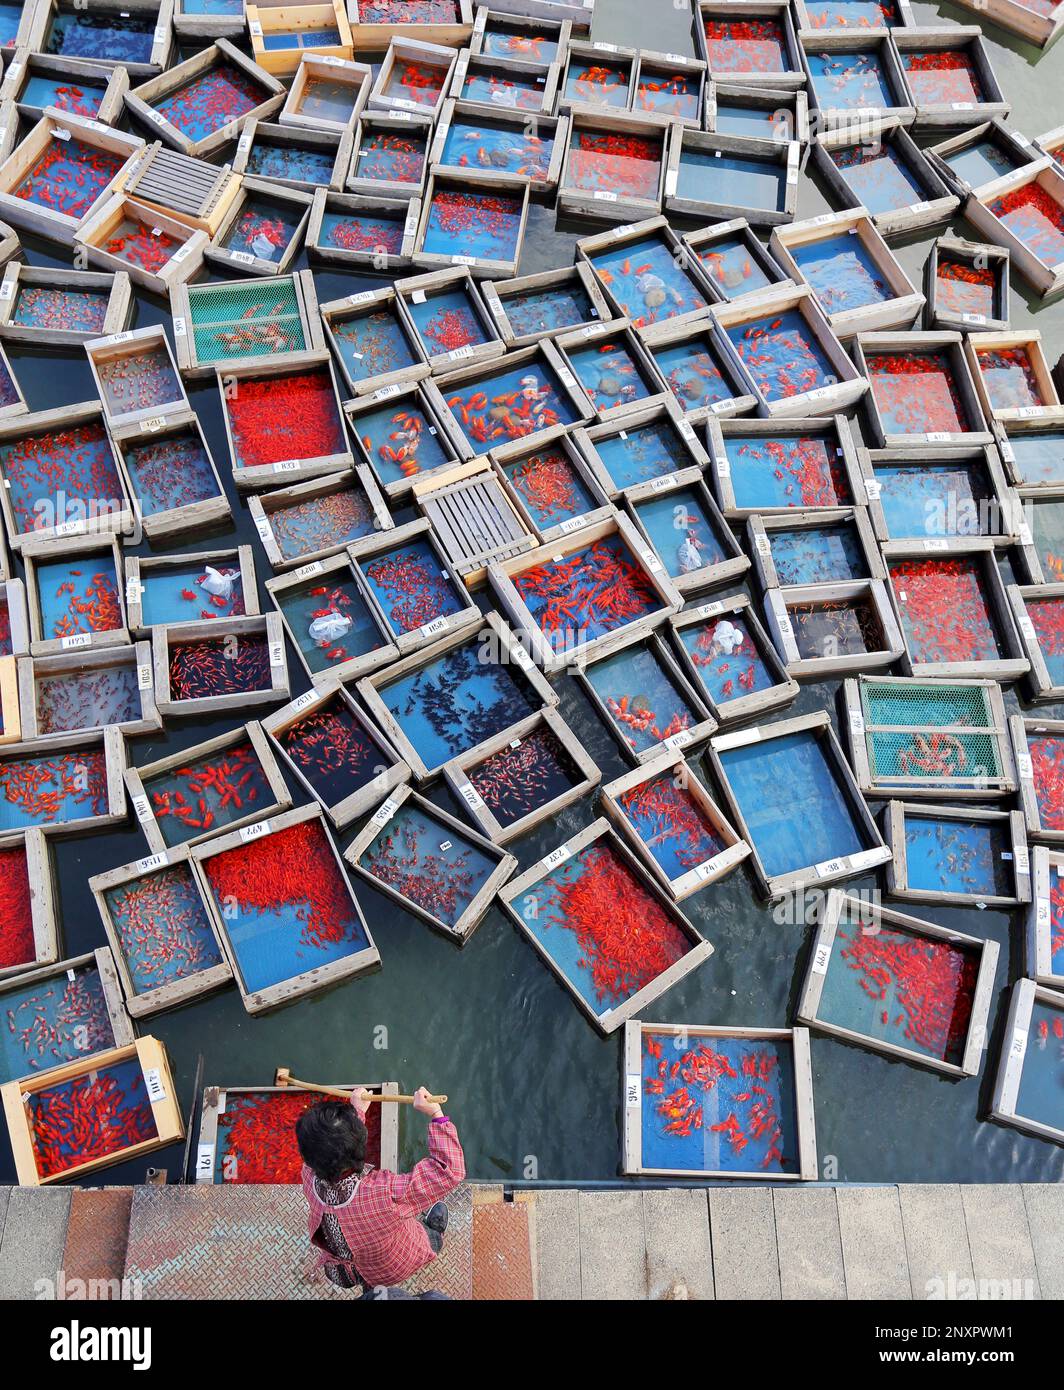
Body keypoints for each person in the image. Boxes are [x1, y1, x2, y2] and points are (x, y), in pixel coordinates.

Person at [297, 1085, 465, 1292]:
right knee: (429, 1239)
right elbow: (448, 1170)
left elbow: (331, 1151)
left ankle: (368, 1287)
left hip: (340, 1271)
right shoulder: (384, 1193)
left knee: (362, 1265)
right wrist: (436, 1114)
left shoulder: (307, 1174)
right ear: (360, 1150)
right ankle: (435, 1234)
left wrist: (357, 1112)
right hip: (387, 1267)